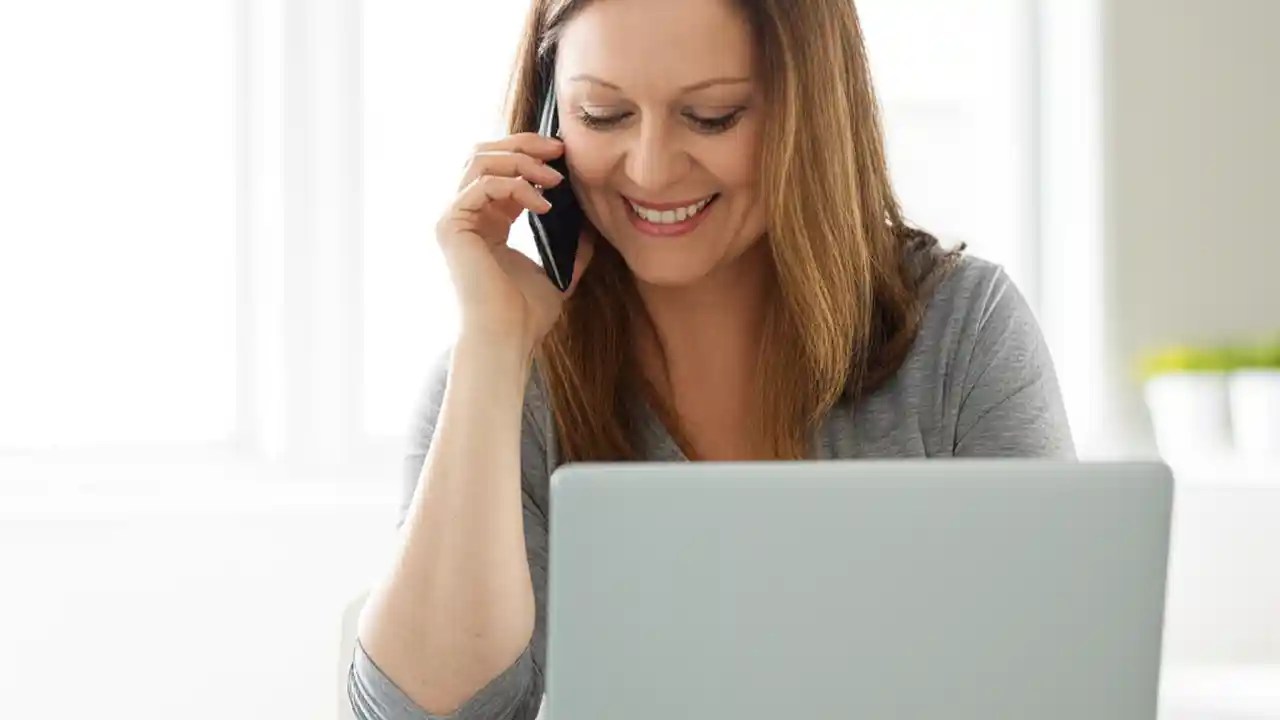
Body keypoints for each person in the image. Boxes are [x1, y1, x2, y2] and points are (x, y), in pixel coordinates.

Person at [348, 0, 1074, 717]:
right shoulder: (501, 379)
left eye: (714, 116)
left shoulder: (961, 333)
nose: (653, 169)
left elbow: (1058, 680)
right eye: (603, 115)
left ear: (811, 111)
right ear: (548, 119)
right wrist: (494, 349)